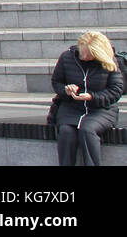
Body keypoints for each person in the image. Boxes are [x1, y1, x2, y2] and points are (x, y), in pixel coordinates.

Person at [50, 30, 124, 166]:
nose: (83, 57)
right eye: (82, 53)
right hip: (71, 108)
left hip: (101, 110)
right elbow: (56, 82)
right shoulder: (66, 57)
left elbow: (116, 90)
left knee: (87, 130)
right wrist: (66, 90)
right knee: (66, 132)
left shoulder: (109, 62)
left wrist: (92, 97)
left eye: (88, 55)